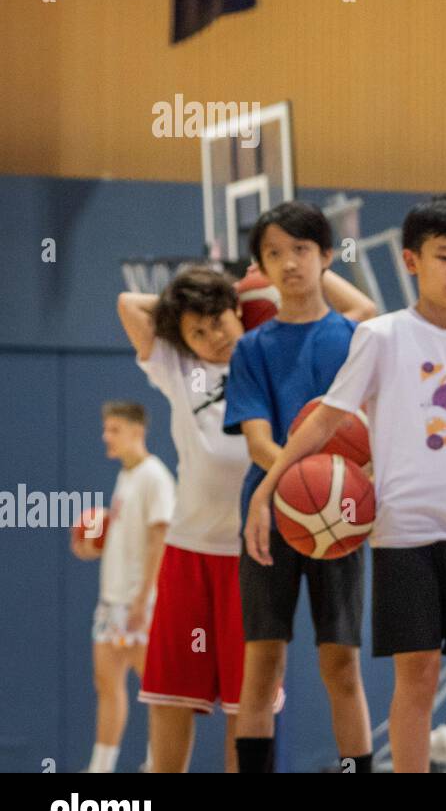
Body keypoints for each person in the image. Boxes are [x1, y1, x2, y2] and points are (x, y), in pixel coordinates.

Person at [246, 195, 446, 773]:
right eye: (443, 256)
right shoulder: (380, 337)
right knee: (417, 677)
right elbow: (327, 416)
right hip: (404, 539)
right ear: (410, 260)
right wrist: (267, 485)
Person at [118, 263, 375, 772]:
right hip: (189, 548)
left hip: (252, 548)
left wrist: (284, 271)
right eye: (198, 330)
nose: (213, 336)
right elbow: (129, 303)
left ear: (240, 314)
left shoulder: (269, 357)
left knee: (246, 699)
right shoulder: (177, 365)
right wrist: (214, 294)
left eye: (219, 321)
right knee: (171, 697)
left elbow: (362, 311)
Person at [224, 201, 376, 773]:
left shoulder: (357, 337)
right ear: (259, 266)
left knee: (341, 663)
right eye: (274, 254)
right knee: (262, 662)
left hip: (341, 509)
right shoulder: (252, 348)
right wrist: (302, 479)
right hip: (270, 514)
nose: (289, 263)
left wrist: (330, 484)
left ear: (326, 257)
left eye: (302, 250)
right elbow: (260, 443)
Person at [75, 401, 175, 773]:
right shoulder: (126, 477)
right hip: (112, 599)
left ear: (137, 431)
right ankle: (101, 766)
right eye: (106, 429)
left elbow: (160, 540)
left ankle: (158, 763)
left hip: (141, 602)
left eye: (114, 429)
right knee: (107, 683)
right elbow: (131, 536)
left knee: (156, 689)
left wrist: (143, 600)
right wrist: (99, 539)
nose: (106, 436)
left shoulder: (155, 476)